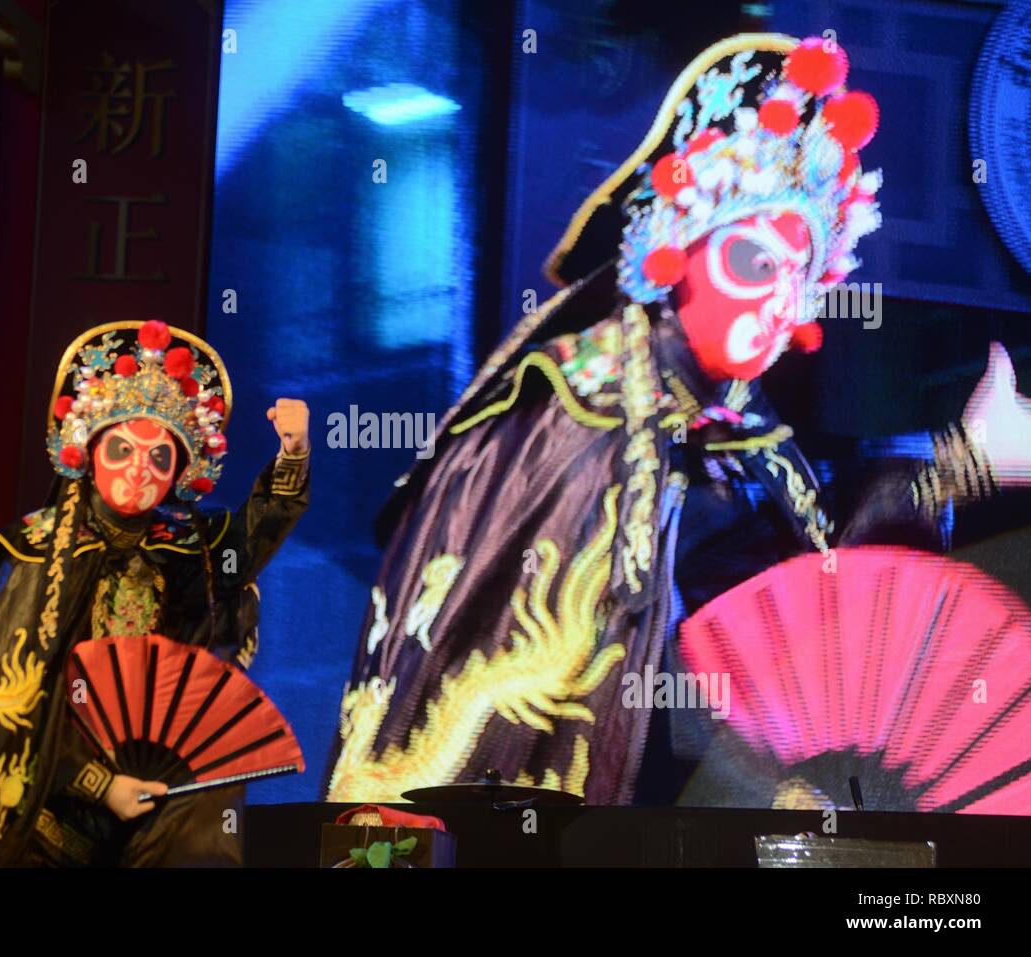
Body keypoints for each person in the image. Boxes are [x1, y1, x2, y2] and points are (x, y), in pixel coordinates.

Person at [325, 34, 1031, 805]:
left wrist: (966, 458)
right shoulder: (577, 417)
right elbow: (606, 682)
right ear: (675, 248)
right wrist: (750, 781)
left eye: (799, 284)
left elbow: (808, 577)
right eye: (755, 264)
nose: (776, 307)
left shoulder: (735, 426)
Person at [0, 319, 310, 866]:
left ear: (180, 473)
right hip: (48, 795)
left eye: (160, 457)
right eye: (123, 450)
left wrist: (294, 452)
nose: (140, 469)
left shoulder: (186, 548)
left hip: (157, 800)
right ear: (88, 453)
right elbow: (9, 701)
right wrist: (97, 783)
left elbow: (251, 539)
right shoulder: (40, 551)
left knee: (208, 798)